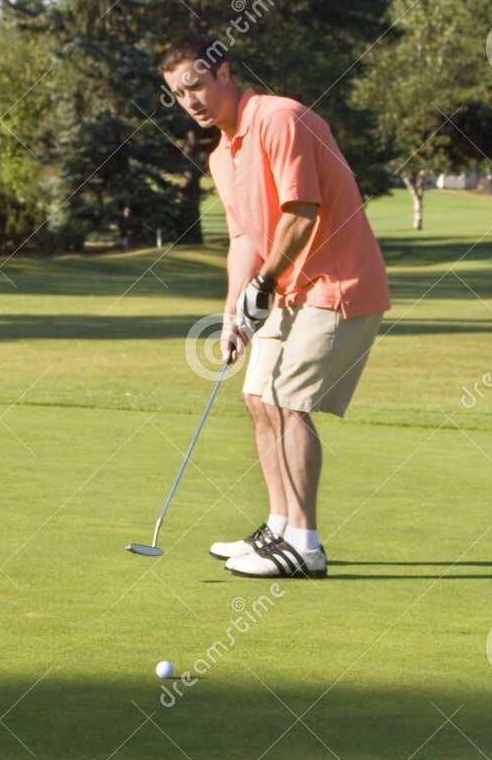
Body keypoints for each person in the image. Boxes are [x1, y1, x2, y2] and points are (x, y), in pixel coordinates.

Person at [160, 33, 390, 579]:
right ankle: (280, 526)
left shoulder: (278, 118)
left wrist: (263, 282)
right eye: (178, 94)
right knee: (258, 398)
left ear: (223, 73)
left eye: (196, 86)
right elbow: (245, 237)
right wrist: (233, 310)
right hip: (286, 289)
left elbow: (301, 211)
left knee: (287, 402)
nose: (190, 101)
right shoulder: (222, 154)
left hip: (336, 284)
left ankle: (305, 546)